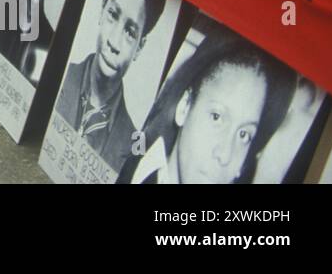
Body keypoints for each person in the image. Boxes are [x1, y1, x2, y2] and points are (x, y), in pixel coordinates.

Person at [120, 19, 291, 184]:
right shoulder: (122, 165)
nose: (225, 155)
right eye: (216, 117)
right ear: (184, 107)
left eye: (244, 135)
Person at [54, 0, 168, 173]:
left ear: (140, 47)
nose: (114, 42)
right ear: (101, 9)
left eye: (130, 32)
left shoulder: (133, 141)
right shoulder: (59, 79)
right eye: (113, 15)